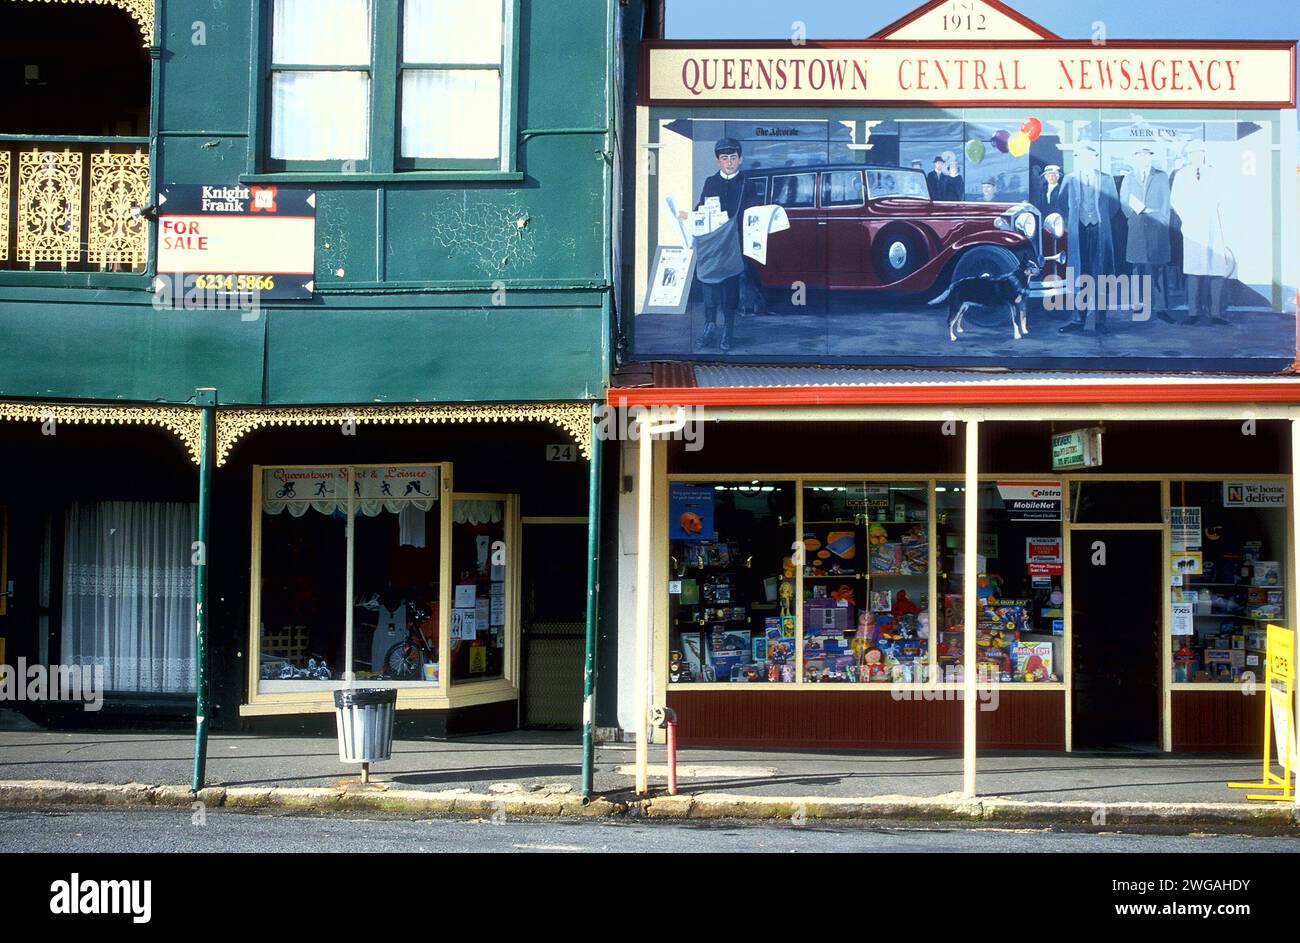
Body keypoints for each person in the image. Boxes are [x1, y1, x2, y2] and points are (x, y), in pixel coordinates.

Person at [676, 137, 756, 350]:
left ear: (740, 159)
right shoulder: (710, 182)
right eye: (724, 158)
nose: (729, 162)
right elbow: (700, 208)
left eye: (733, 157)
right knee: (709, 289)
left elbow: (754, 214)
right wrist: (689, 217)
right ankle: (709, 328)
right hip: (711, 246)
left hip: (734, 245)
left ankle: (728, 331)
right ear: (717, 161)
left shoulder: (748, 182)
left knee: (730, 290)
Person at [1059, 144, 1120, 335]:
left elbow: (1114, 206)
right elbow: (1062, 204)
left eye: (1089, 157)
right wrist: (1075, 222)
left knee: (1100, 273)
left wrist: (1098, 219)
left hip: (1100, 231)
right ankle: (1077, 320)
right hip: (1078, 232)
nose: (1086, 160)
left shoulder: (1106, 179)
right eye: (1082, 157)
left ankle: (1101, 321)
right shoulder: (1069, 179)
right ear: (1078, 159)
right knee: (1079, 274)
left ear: (1094, 158)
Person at [1170, 142, 1231, 325]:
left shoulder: (1214, 173)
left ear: (1204, 154)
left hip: (1213, 225)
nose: (1197, 156)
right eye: (1193, 153)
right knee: (1194, 270)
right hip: (1193, 226)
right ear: (1188, 155)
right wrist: (1188, 217)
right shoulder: (1181, 175)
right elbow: (1175, 200)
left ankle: (1216, 313)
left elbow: (1223, 199)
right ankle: (1193, 313)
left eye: (1200, 153)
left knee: (1216, 269)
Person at [1119, 145, 1173, 323]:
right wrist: (1131, 217)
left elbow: (1166, 202)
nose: (1143, 158)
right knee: (1137, 268)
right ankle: (1138, 305)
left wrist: (1162, 220)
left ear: (1150, 157)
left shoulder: (1161, 176)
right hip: (1136, 229)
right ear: (1135, 158)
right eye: (1140, 156)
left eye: (1146, 155)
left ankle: (1161, 308)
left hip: (1156, 229)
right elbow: (1124, 201)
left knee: (1157, 268)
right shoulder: (1129, 178)